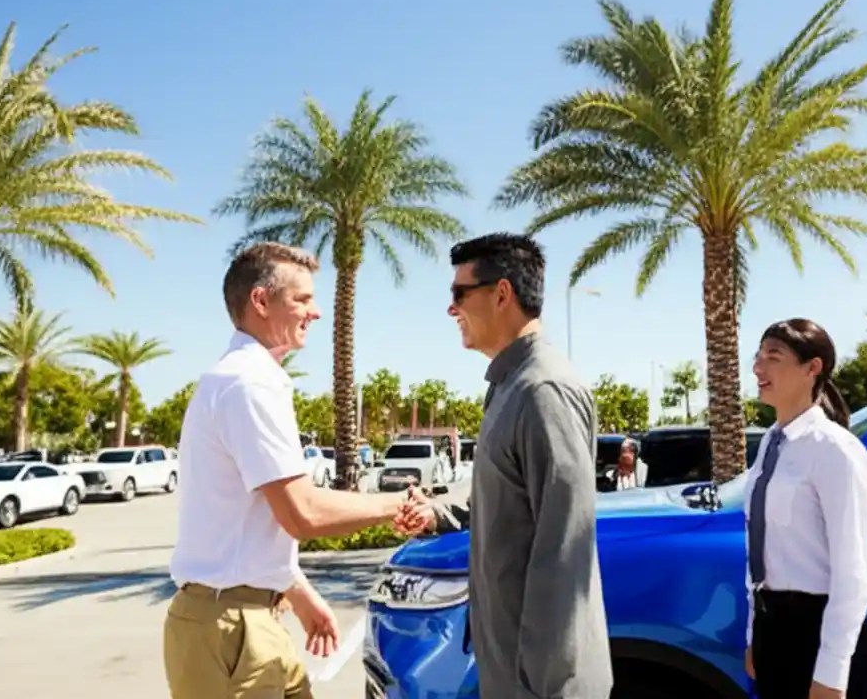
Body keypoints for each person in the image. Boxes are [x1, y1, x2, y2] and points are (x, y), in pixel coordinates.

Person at [164, 242, 422, 699]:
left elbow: (246, 524)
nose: (316, 312)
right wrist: (397, 504)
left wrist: (298, 594)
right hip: (232, 631)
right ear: (261, 301)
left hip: (252, 621)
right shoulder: (248, 383)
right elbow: (301, 512)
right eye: (302, 299)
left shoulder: (248, 378)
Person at [396, 232, 613, 699]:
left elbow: (563, 551)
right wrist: (439, 514)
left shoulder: (543, 391)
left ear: (501, 294)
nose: (451, 309)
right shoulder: (510, 386)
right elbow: (509, 504)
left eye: (459, 293)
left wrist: (540, 684)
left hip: (539, 685)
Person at [743, 318, 867, 699]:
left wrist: (832, 672)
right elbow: (760, 549)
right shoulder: (771, 443)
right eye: (758, 356)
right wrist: (756, 634)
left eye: (774, 356)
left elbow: (853, 572)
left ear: (812, 368)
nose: (758, 367)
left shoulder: (835, 449)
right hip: (775, 629)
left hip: (817, 632)